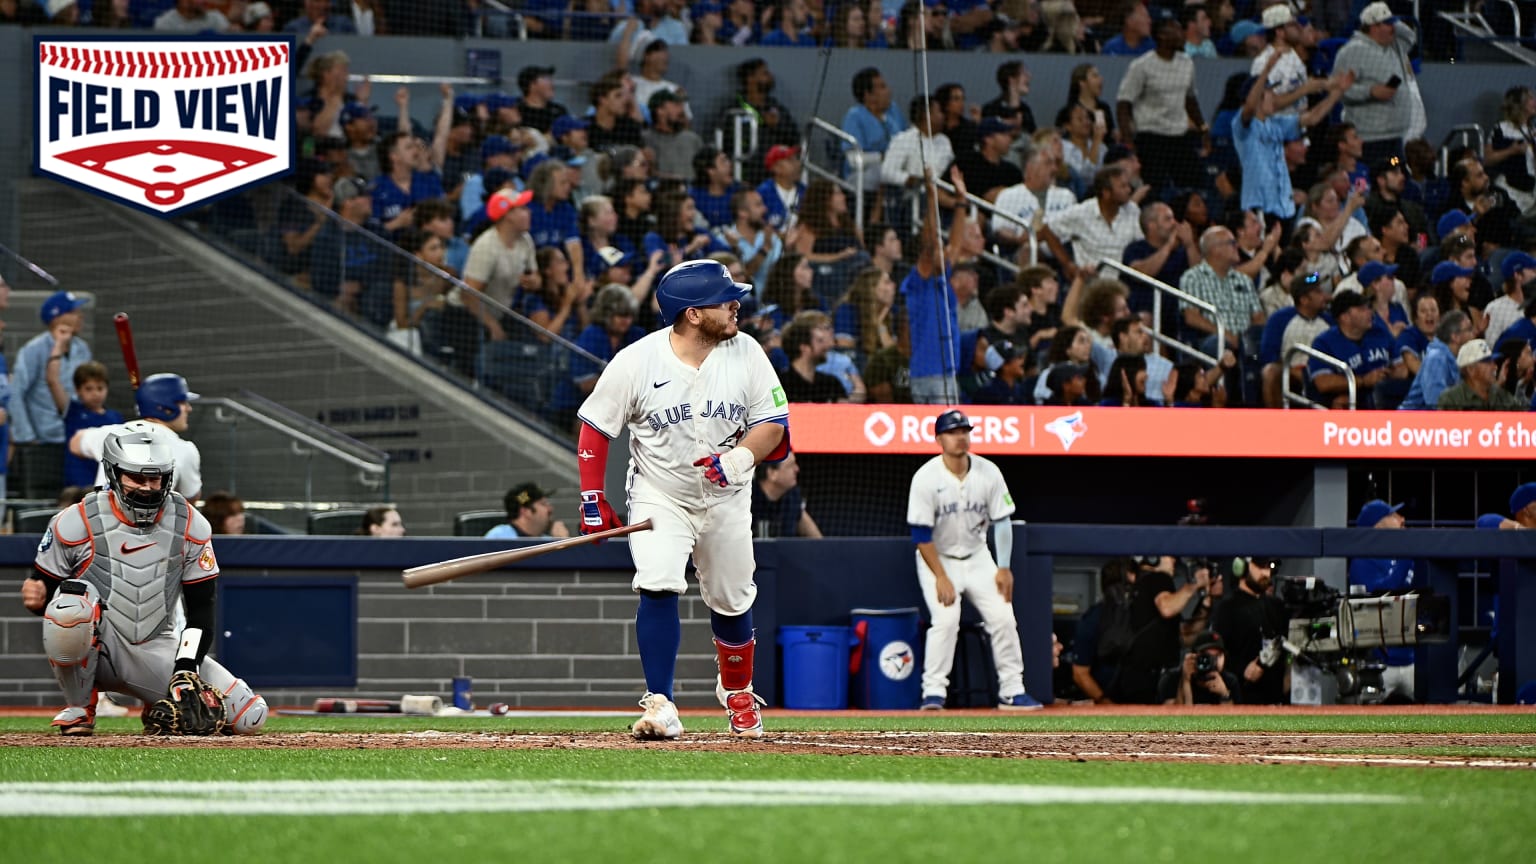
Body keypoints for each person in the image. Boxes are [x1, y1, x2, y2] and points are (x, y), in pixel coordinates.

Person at [575, 259, 790, 740]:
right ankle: (660, 702)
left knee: (733, 599)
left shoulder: (747, 352)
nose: (736, 304)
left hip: (727, 494)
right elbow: (595, 426)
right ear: (693, 313)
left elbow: (774, 425)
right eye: (725, 299)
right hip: (660, 492)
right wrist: (593, 497)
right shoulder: (636, 360)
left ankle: (736, 691)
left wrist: (736, 460)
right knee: (658, 581)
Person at [18, 430, 268, 736]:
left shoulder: (190, 523)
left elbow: (202, 609)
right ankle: (80, 707)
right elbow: (45, 595)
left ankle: (157, 705)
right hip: (99, 646)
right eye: (136, 479)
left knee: (249, 716)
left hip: (157, 645)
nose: (147, 488)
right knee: (70, 603)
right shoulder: (75, 520)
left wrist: (186, 668)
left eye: (156, 479)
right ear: (113, 472)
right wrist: (36, 597)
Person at [907, 409, 1042, 711]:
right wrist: (941, 576)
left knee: (1004, 617)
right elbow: (920, 535)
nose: (961, 437)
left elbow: (1003, 521)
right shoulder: (926, 478)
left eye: (965, 431)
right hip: (938, 558)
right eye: (954, 432)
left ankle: (1012, 690)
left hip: (978, 555)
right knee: (946, 620)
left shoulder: (988, 471)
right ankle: (934, 693)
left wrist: (1004, 567)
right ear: (939, 438)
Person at [11, 289, 92, 501]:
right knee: (42, 499)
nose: (80, 316)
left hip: (75, 436)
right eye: (75, 312)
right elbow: (17, 392)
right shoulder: (34, 349)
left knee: (77, 499)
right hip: (43, 439)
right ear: (58, 318)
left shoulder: (82, 348)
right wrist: (27, 437)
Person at [70, 373, 202, 503]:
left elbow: (75, 443)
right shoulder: (185, 449)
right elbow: (190, 498)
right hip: (151, 523)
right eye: (183, 403)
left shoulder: (112, 433)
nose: (188, 409)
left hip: (100, 521)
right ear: (166, 408)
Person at [1347, 499, 1417, 701]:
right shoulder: (1362, 562)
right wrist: (1407, 557)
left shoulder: (1407, 556)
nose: (1402, 519)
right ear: (1377, 524)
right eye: (1394, 516)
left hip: (1412, 659)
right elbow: (1384, 594)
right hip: (1380, 664)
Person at [1210, 556, 1289, 704]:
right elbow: (1216, 653)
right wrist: (1242, 670)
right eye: (1260, 567)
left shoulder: (1277, 607)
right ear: (1242, 568)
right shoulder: (1227, 608)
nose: (1266, 574)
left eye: (1269, 568)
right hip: (1242, 699)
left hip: (1276, 701)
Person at [60, 361, 124, 490]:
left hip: (106, 480)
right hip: (78, 481)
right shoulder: (72, 412)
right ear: (78, 390)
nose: (95, 393)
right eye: (89, 389)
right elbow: (53, 382)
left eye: (100, 388)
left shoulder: (116, 417)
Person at [1398, 310, 1473, 410]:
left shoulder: (1457, 358)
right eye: (1469, 330)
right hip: (1411, 422)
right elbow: (1436, 403)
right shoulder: (1436, 359)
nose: (1473, 335)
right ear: (1455, 337)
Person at [1437, 337, 1527, 410]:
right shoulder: (1451, 400)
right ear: (1471, 369)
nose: (1494, 367)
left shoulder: (1502, 396)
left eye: (1493, 361)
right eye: (1488, 362)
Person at [751, 452, 822, 538]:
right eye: (791, 465)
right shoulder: (748, 499)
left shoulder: (792, 497)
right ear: (772, 473)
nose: (797, 469)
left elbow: (816, 538)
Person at [1160, 631, 1239, 705]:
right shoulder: (1172, 679)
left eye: (1218, 656)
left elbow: (1235, 719)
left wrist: (1224, 695)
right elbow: (1175, 718)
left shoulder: (1229, 681)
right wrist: (1185, 682)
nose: (1213, 662)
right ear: (1193, 656)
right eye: (1206, 657)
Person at [486, 482, 570, 539]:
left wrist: (562, 543)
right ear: (526, 511)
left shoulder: (548, 541)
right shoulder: (499, 537)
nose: (550, 509)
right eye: (543, 504)